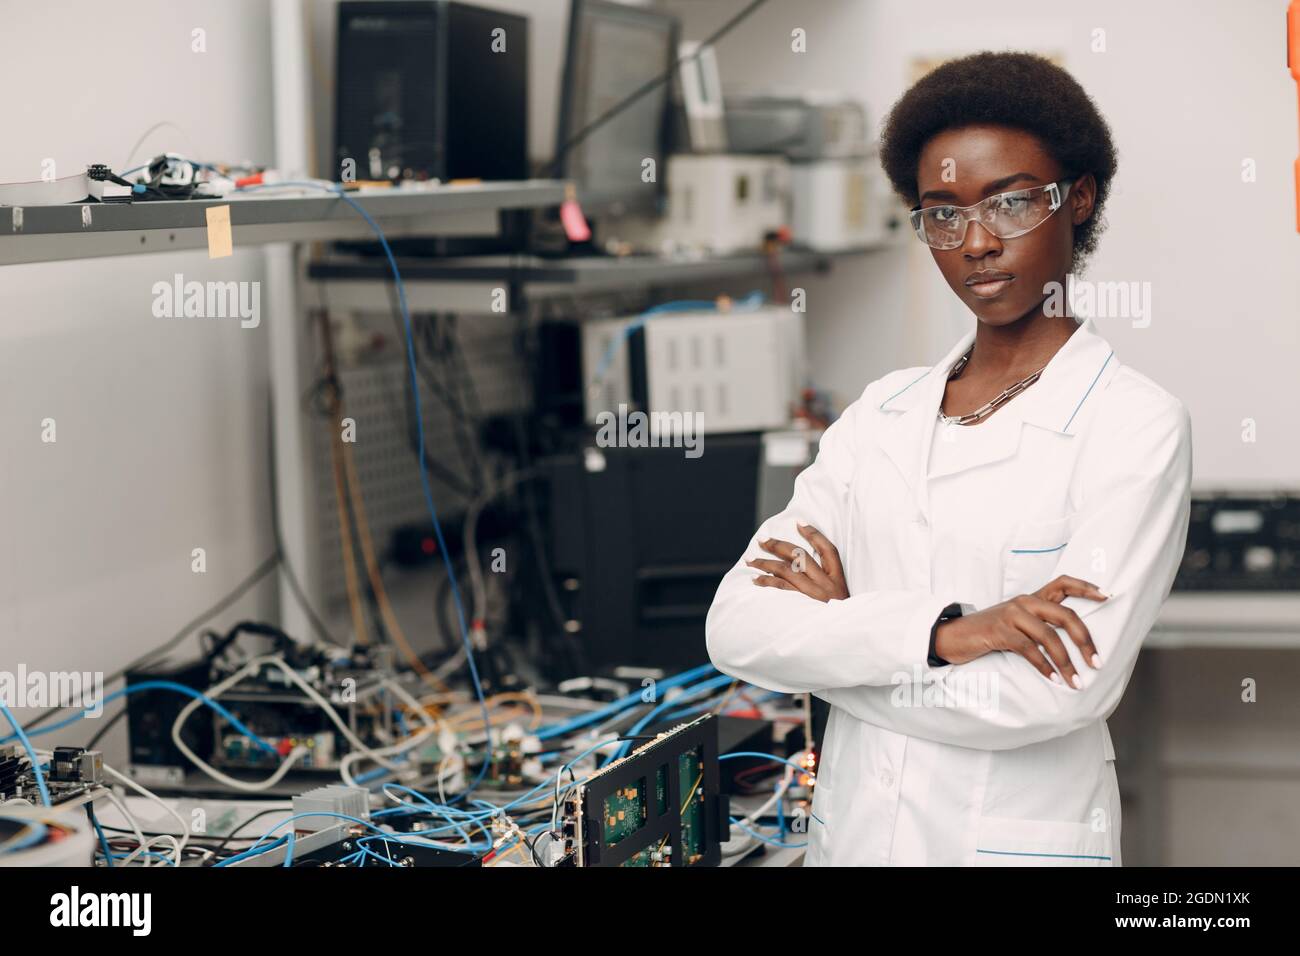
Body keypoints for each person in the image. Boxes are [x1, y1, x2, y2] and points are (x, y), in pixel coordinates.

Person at [706, 51, 1193, 866]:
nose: (974, 242)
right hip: (855, 840)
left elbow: (1055, 692)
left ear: (1078, 198)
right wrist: (952, 634)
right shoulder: (880, 415)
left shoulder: (1134, 426)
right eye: (942, 212)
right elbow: (739, 626)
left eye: (1009, 204)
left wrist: (837, 643)